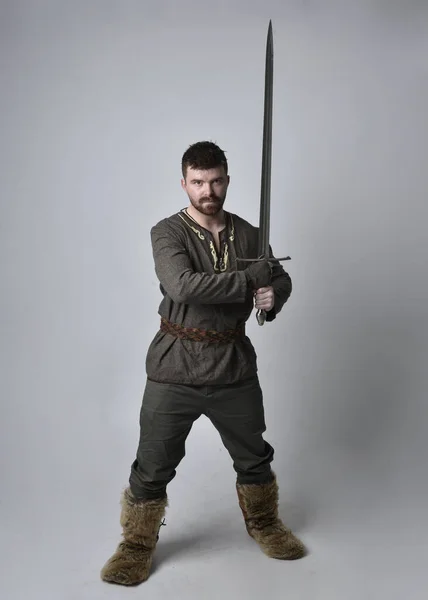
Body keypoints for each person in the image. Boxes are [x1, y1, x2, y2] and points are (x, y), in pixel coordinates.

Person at [100, 141, 306, 586]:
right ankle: (136, 544)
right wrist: (251, 279)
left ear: (227, 180)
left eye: (215, 181)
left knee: (253, 455)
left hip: (232, 364)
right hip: (175, 365)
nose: (207, 190)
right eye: (198, 182)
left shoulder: (250, 234)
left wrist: (273, 298)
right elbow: (184, 287)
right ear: (184, 184)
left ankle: (266, 525)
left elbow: (279, 277)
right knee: (153, 461)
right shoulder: (166, 232)